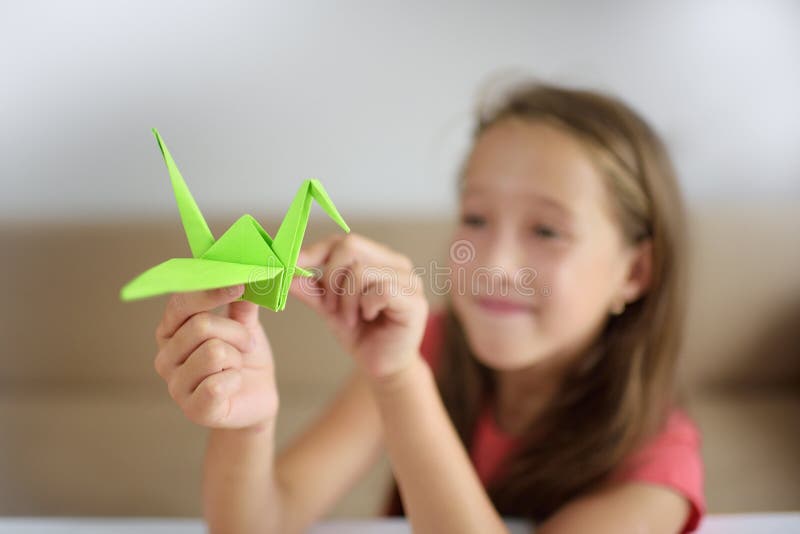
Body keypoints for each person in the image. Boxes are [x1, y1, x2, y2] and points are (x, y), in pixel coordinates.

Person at [151, 81, 704, 534]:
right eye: (476, 219)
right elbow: (259, 525)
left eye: (546, 230)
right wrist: (248, 425)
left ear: (634, 272)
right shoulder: (427, 348)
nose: (492, 263)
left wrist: (399, 378)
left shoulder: (658, 470)